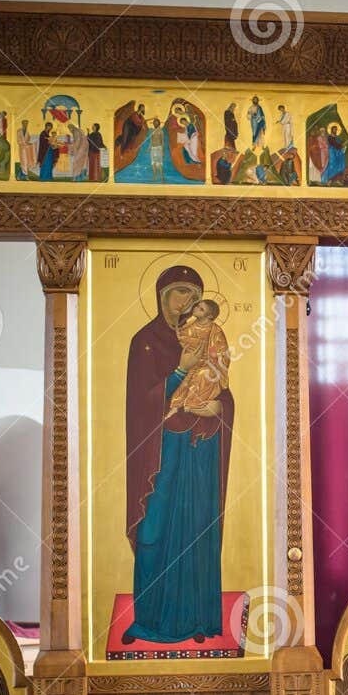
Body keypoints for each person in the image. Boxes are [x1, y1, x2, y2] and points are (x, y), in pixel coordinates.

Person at [124, 267, 233, 644]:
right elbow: (139, 404)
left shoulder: (211, 338)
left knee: (197, 528)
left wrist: (218, 410)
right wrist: (180, 369)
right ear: (161, 295)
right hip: (159, 455)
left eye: (193, 295)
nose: (186, 302)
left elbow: (224, 387)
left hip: (198, 451)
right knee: (154, 527)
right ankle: (149, 620)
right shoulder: (145, 342)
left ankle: (197, 621)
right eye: (179, 293)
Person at [166, 298, 229, 419]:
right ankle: (175, 407)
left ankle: (191, 406)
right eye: (197, 306)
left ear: (209, 316)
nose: (195, 308)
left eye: (201, 309)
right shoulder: (190, 324)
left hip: (209, 365)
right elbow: (181, 338)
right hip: (191, 362)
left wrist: (214, 355)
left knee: (202, 376)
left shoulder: (215, 331)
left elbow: (223, 353)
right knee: (184, 383)